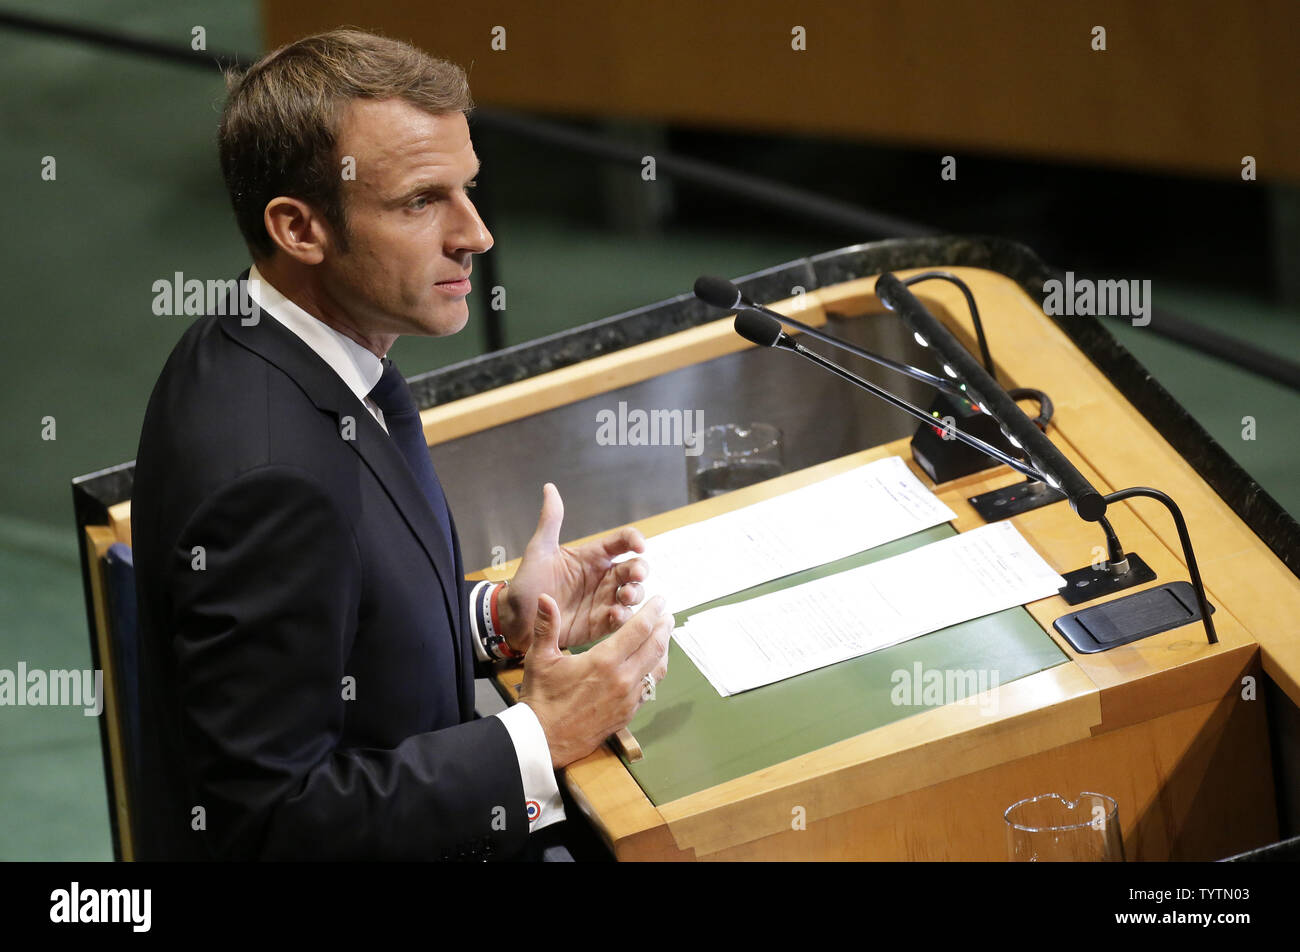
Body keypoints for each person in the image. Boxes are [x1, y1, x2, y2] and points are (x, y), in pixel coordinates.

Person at [130, 28, 671, 861]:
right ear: (299, 228)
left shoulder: (269, 340)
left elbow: (337, 645)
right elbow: (273, 825)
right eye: (423, 201)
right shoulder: (270, 476)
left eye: (469, 190)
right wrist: (542, 736)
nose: (476, 234)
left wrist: (499, 619)